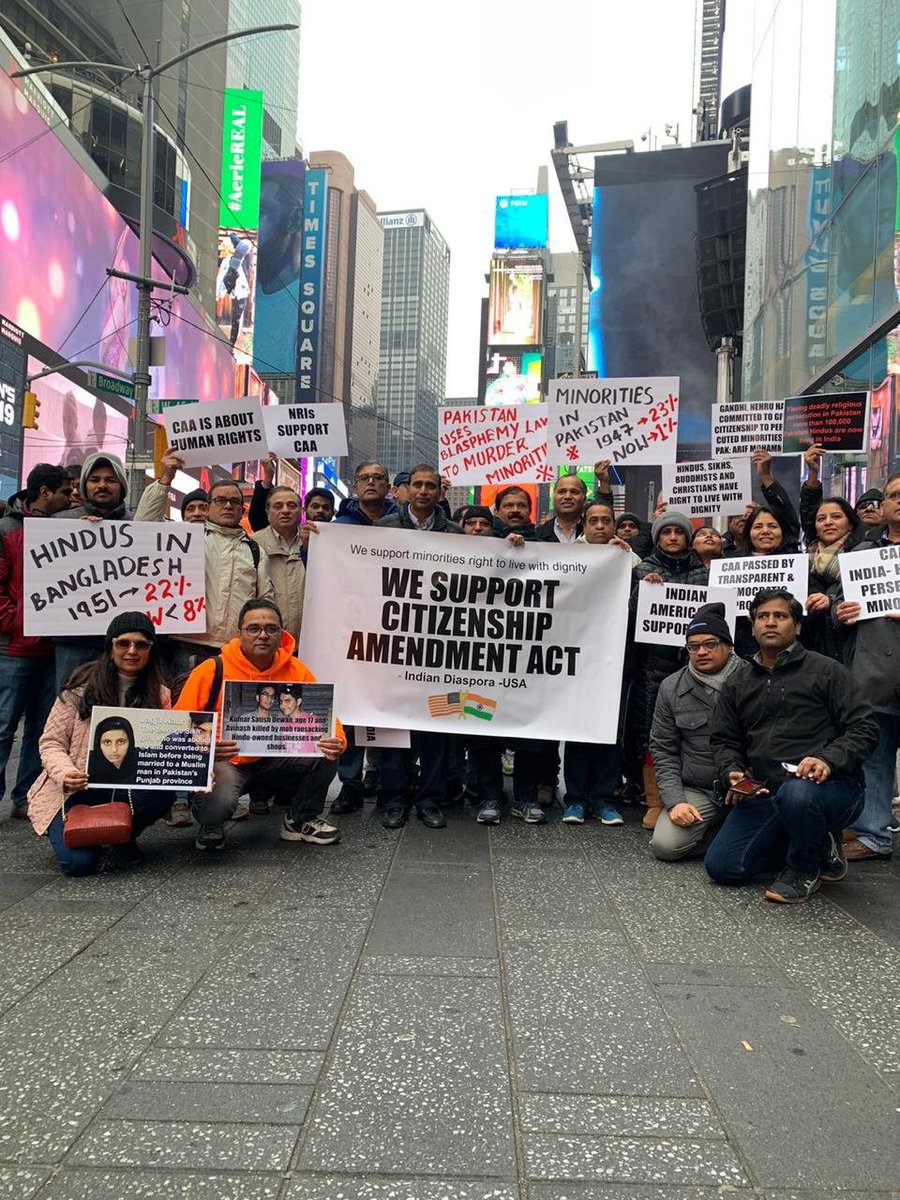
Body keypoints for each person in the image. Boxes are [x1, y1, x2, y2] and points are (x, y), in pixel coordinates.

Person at [705, 589, 878, 902]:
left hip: (831, 788)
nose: (771, 623)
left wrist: (828, 759)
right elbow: (724, 739)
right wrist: (731, 770)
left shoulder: (828, 671)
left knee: (798, 794)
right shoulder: (738, 682)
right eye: (763, 617)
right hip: (767, 792)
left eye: (781, 616)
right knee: (723, 867)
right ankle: (816, 840)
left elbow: (865, 727)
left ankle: (803, 869)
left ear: (797, 626)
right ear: (752, 625)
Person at [174, 598, 345, 852]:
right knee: (215, 801)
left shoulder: (296, 670)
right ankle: (212, 823)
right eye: (254, 628)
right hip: (228, 763)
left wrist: (337, 740)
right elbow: (179, 726)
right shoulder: (212, 669)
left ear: (281, 633)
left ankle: (300, 820)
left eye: (271, 629)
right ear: (239, 633)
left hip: (276, 762)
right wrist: (207, 748)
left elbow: (326, 721)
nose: (262, 635)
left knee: (325, 753)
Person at [26, 613, 175, 875]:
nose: (132, 651)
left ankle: (120, 833)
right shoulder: (80, 687)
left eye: (142, 645)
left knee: (161, 793)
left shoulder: (159, 693)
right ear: (110, 647)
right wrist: (66, 774)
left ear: (151, 650)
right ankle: (107, 832)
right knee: (78, 864)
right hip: (76, 788)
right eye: (123, 643)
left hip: (124, 787)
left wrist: (198, 773)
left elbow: (166, 749)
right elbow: (51, 742)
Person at [375, 465, 462, 829]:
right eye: (418, 485)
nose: (424, 491)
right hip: (395, 645)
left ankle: (429, 798)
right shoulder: (383, 530)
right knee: (393, 726)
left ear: (440, 492)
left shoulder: (456, 534)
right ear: (406, 490)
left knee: (437, 726)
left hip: (440, 647)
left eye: (431, 486)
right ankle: (395, 798)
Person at [626, 511, 710, 829]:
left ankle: (685, 794)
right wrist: (641, 592)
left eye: (678, 532)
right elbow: (629, 615)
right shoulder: (643, 569)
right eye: (666, 532)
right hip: (653, 666)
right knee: (652, 733)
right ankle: (655, 801)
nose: (673, 537)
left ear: (688, 538)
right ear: (658, 537)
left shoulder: (702, 573)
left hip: (692, 664)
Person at [0, 463, 74, 818]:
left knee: (41, 728)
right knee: (3, 726)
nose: (71, 496)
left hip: (52, 647)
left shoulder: (70, 527)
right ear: (45, 493)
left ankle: (25, 797)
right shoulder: (7, 530)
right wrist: (16, 621)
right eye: (65, 491)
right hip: (14, 648)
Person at [833, 472, 900, 860]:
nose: (896, 500)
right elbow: (838, 608)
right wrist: (840, 613)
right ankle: (874, 834)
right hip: (874, 672)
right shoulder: (861, 555)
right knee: (875, 757)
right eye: (891, 495)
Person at [649, 604, 748, 861]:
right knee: (665, 845)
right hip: (699, 788)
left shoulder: (754, 680)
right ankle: (725, 834)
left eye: (711, 644)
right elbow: (663, 749)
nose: (701, 652)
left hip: (746, 786)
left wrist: (748, 780)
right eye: (693, 646)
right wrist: (675, 802)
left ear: (729, 645)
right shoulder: (671, 687)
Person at [561, 501, 636, 825]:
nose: (601, 526)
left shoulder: (627, 558)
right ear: (584, 524)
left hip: (612, 659)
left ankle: (605, 799)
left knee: (609, 731)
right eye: (594, 520)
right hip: (576, 657)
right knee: (578, 729)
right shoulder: (566, 558)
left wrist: (629, 557)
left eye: (607, 520)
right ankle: (576, 800)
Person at [169, 479, 274, 678]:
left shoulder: (255, 551)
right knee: (183, 708)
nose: (228, 505)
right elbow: (143, 521)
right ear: (208, 507)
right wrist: (165, 480)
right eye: (221, 500)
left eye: (234, 501)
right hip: (187, 648)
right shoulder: (185, 539)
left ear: (242, 510)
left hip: (234, 651)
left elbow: (265, 602)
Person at [53, 453, 136, 690]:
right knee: (69, 706)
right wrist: (74, 539)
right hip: (73, 640)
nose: (102, 485)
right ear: (84, 486)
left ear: (122, 486)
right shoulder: (59, 523)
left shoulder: (140, 525)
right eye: (95, 479)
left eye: (110, 480)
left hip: (123, 642)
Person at [251, 486, 306, 646]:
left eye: (291, 505)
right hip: (266, 643)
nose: (285, 510)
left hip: (308, 643)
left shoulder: (314, 542)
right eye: (278, 506)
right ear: (267, 512)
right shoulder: (253, 544)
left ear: (301, 511)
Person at [87, 715, 139, 785]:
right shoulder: (89, 764)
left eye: (121, 742)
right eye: (107, 742)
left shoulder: (143, 761)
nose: (114, 749)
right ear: (98, 744)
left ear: (130, 742)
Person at [537, 474, 587, 543]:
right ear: (553, 498)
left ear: (584, 499)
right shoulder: (537, 535)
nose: (567, 496)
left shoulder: (596, 533)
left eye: (574, 492)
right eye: (562, 492)